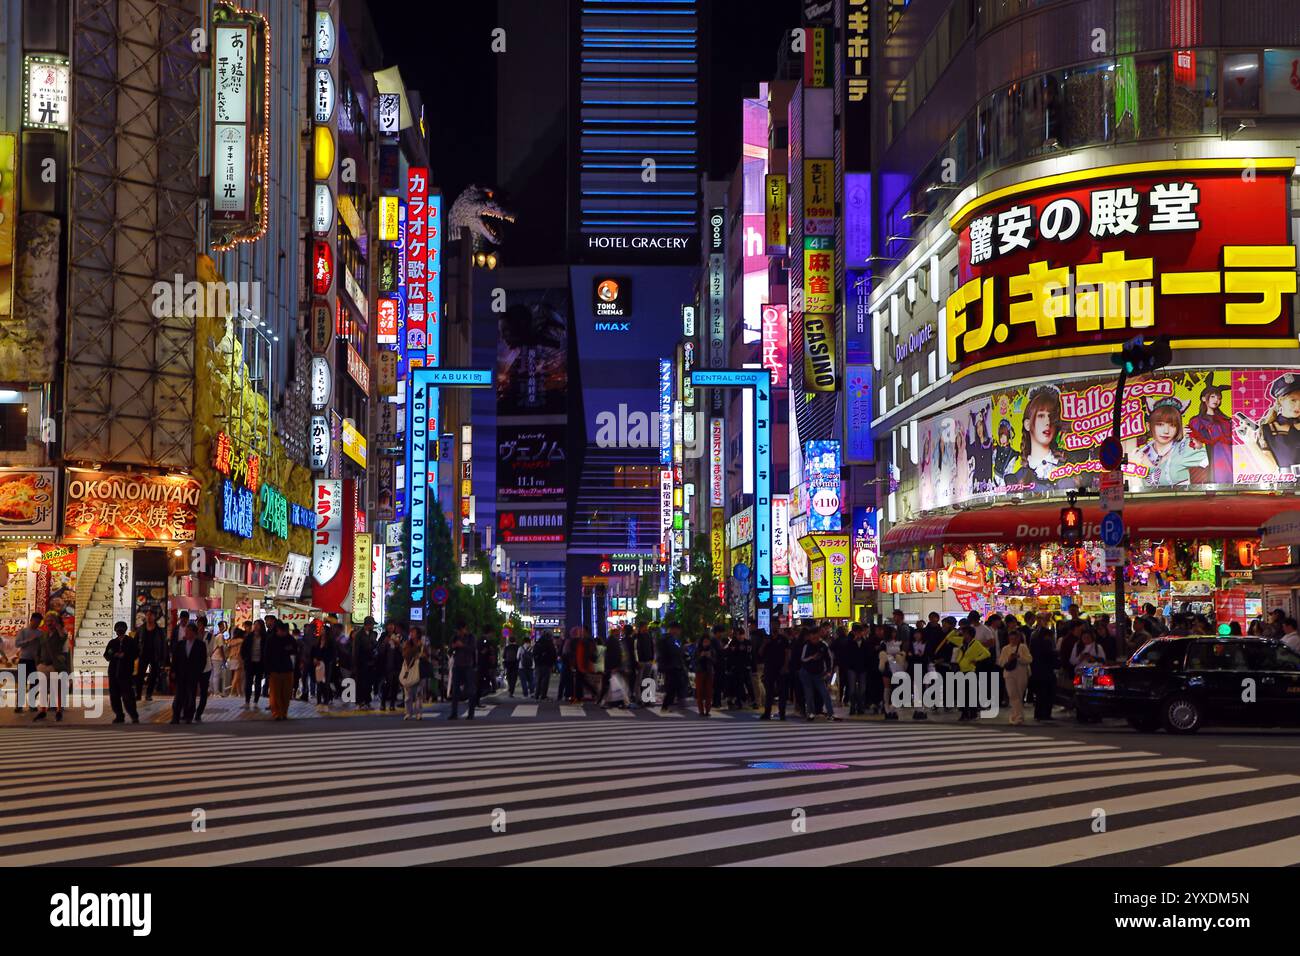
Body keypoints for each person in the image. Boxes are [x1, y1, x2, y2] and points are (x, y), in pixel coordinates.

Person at [33, 613, 71, 722]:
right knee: (43, 689)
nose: (49, 623)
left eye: (51, 620)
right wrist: (38, 663)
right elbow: (38, 650)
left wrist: (59, 627)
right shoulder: (43, 635)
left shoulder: (60, 633)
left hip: (55, 665)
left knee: (56, 688)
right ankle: (43, 710)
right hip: (43, 665)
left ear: (56, 622)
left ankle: (59, 710)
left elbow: (63, 638)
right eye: (47, 620)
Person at [170, 622, 207, 725]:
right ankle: (175, 716)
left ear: (194, 633)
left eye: (188, 631)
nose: (186, 633)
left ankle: (188, 716)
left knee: (191, 696)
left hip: (193, 674)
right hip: (181, 674)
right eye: (186, 631)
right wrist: (173, 671)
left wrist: (198, 673)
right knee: (179, 696)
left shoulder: (200, 645)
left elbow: (203, 661)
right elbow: (175, 659)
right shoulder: (180, 644)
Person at [104, 621, 139, 724]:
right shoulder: (112, 643)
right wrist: (114, 655)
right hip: (113, 673)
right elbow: (106, 655)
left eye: (121, 629)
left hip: (126, 674)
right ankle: (119, 715)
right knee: (114, 696)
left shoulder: (130, 642)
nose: (119, 631)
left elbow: (136, 653)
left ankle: (134, 716)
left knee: (128, 696)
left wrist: (125, 655)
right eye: (118, 629)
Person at [800, 628, 838, 721]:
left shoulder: (823, 645)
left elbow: (829, 658)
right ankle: (811, 713)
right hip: (807, 672)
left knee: (824, 693)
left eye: (816, 637)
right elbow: (802, 658)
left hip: (819, 673)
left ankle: (830, 713)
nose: (814, 639)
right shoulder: (807, 645)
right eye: (812, 637)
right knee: (809, 694)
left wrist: (829, 671)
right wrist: (812, 657)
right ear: (810, 637)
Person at [265, 621, 298, 721]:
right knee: (275, 693)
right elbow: (267, 655)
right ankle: (276, 713)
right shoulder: (271, 640)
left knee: (286, 693)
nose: (283, 633)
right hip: (275, 670)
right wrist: (267, 669)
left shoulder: (290, 639)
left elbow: (295, 651)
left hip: (287, 669)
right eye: (282, 631)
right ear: (277, 630)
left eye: (285, 631)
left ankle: (283, 712)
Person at [998, 630, 1032, 725]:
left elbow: (1029, 659)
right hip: (1009, 674)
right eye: (1011, 638)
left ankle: (1016, 716)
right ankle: (1017, 716)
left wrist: (1019, 657)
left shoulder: (1023, 647)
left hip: (1021, 673)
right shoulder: (1005, 649)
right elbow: (1000, 662)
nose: (1013, 640)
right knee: (1012, 694)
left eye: (1015, 638)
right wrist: (1008, 659)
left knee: (1019, 695)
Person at [134, 609, 168, 703]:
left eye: (151, 615)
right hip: (143, 655)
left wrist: (163, 659)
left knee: (153, 676)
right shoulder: (141, 629)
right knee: (140, 675)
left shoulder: (159, 630)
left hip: (155, 655)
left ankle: (149, 694)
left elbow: (163, 645)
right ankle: (138, 694)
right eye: (147, 615)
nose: (149, 617)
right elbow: (135, 642)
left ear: (154, 617)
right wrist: (135, 654)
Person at [448, 622, 479, 720]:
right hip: (457, 665)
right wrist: (453, 646)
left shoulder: (471, 637)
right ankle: (454, 713)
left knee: (470, 690)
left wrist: (462, 645)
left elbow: (473, 649)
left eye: (461, 630)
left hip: (468, 666)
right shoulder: (454, 637)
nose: (459, 633)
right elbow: (449, 650)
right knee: (455, 690)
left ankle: (471, 713)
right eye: (458, 631)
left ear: (465, 629)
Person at [1027, 625, 1058, 722]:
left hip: (1037, 672)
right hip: (1047, 672)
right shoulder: (1047, 643)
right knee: (1048, 694)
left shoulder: (1034, 643)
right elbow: (1051, 657)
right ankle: (1045, 714)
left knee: (1040, 695)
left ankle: (1039, 714)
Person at [14, 612, 42, 713]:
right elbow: (17, 644)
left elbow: (41, 647)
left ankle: (32, 705)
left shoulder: (40, 633)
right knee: (22, 683)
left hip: (35, 661)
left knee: (34, 683)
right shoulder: (23, 632)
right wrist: (28, 641)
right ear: (31, 620)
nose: (37, 624)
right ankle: (19, 706)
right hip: (24, 660)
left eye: (39, 622)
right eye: (36, 621)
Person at [759, 628, 789, 720]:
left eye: (776, 625)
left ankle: (782, 713)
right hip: (769, 668)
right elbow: (760, 653)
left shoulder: (783, 639)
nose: (774, 627)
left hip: (780, 668)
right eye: (773, 625)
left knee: (782, 691)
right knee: (769, 691)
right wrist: (764, 643)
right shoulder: (767, 639)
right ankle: (767, 713)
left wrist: (785, 666)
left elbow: (787, 653)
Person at [657, 622, 688, 711]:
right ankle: (668, 705)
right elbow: (674, 652)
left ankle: (668, 705)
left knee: (673, 686)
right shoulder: (669, 639)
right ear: (674, 629)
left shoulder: (669, 639)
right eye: (678, 630)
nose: (679, 632)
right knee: (673, 686)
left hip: (672, 666)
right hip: (672, 666)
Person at [241, 619, 268, 708]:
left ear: (261, 626)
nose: (255, 626)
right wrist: (245, 658)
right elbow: (243, 649)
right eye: (254, 624)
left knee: (257, 683)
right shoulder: (249, 636)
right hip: (250, 663)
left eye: (258, 625)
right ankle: (247, 701)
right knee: (248, 683)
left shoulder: (265, 637)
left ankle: (256, 701)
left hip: (260, 663)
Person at [693, 634, 717, 717]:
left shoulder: (712, 650)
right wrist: (701, 656)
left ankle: (707, 710)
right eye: (705, 641)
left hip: (709, 672)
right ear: (702, 642)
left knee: (709, 692)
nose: (706, 643)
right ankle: (701, 711)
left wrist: (709, 657)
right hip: (700, 672)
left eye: (708, 641)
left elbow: (715, 661)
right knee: (699, 692)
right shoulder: (698, 650)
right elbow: (694, 661)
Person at [400, 639, 423, 720]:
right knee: (415, 696)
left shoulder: (410, 650)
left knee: (410, 696)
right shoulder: (413, 650)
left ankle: (410, 713)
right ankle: (416, 713)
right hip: (414, 675)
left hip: (413, 674)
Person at [312, 627, 335, 706]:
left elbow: (332, 654)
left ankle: (326, 700)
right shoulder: (317, 641)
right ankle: (318, 701)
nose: (321, 631)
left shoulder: (330, 642)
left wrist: (323, 660)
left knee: (325, 683)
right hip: (318, 665)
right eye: (321, 630)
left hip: (326, 665)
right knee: (319, 682)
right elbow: (314, 651)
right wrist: (315, 659)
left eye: (323, 629)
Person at [533, 630, 557, 700]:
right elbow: (553, 654)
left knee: (538, 679)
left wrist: (536, 661)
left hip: (538, 664)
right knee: (545, 680)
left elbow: (534, 653)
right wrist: (553, 663)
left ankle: (537, 694)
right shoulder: (550, 644)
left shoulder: (538, 643)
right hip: (547, 664)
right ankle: (543, 695)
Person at [226, 626, 245, 701]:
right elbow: (240, 651)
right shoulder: (241, 641)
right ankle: (231, 692)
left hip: (231, 658)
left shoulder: (231, 641)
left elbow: (228, 650)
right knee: (237, 677)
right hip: (238, 658)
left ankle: (239, 693)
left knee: (236, 677)